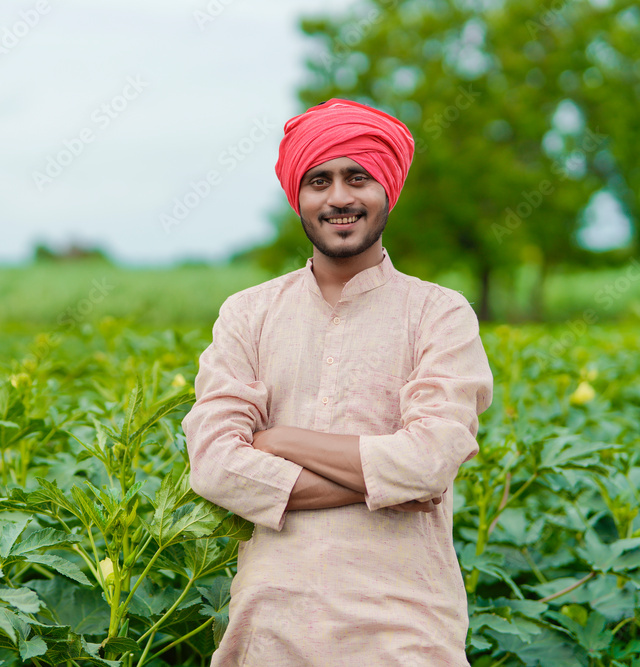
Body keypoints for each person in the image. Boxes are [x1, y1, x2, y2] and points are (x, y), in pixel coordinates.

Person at [181, 98, 494, 666]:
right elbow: (214, 463)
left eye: (358, 177)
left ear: (387, 190)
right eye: (319, 180)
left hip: (407, 628)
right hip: (270, 624)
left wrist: (278, 442)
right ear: (298, 198)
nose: (340, 197)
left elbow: (429, 461)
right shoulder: (248, 313)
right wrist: (390, 483)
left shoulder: (439, 313)